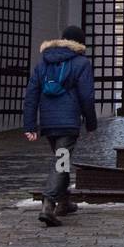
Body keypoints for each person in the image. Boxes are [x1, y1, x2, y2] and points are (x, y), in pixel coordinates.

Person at [22, 25, 97, 227]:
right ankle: (49, 202)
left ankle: (64, 201)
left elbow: (31, 95)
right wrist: (91, 122)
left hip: (48, 122)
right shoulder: (81, 63)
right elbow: (86, 96)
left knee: (61, 158)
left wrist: (30, 124)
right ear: (80, 43)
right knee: (61, 161)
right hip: (68, 121)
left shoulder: (43, 62)